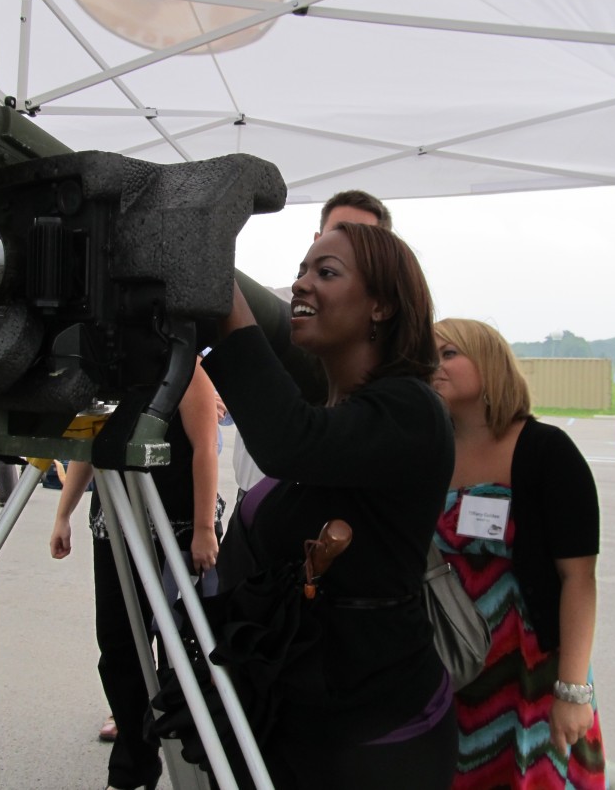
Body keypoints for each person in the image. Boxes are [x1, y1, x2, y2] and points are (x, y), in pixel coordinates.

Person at [203, 221, 455, 789]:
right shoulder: (339, 409)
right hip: (307, 719)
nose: (301, 285)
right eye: (299, 271)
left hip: (380, 738)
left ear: (382, 307)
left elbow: (287, 442)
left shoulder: (411, 411)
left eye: (326, 272)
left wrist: (217, 290)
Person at [430, 318, 605, 789]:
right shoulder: (427, 452)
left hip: (532, 672)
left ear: (489, 364)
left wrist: (572, 690)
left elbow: (579, 580)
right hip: (450, 668)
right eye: (429, 356)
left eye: (449, 354)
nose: (434, 366)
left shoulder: (547, 453)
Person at [50, 359, 222, 790]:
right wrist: (63, 514)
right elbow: (84, 449)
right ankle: (134, 763)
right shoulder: (103, 373)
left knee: (182, 651)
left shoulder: (185, 369)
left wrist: (203, 530)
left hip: (178, 533)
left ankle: (196, 765)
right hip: (116, 530)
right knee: (118, 648)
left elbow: (205, 447)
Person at [230, 188, 393, 500]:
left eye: (363, 239)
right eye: (339, 233)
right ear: (318, 238)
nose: (348, 246)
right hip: (254, 490)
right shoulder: (273, 304)